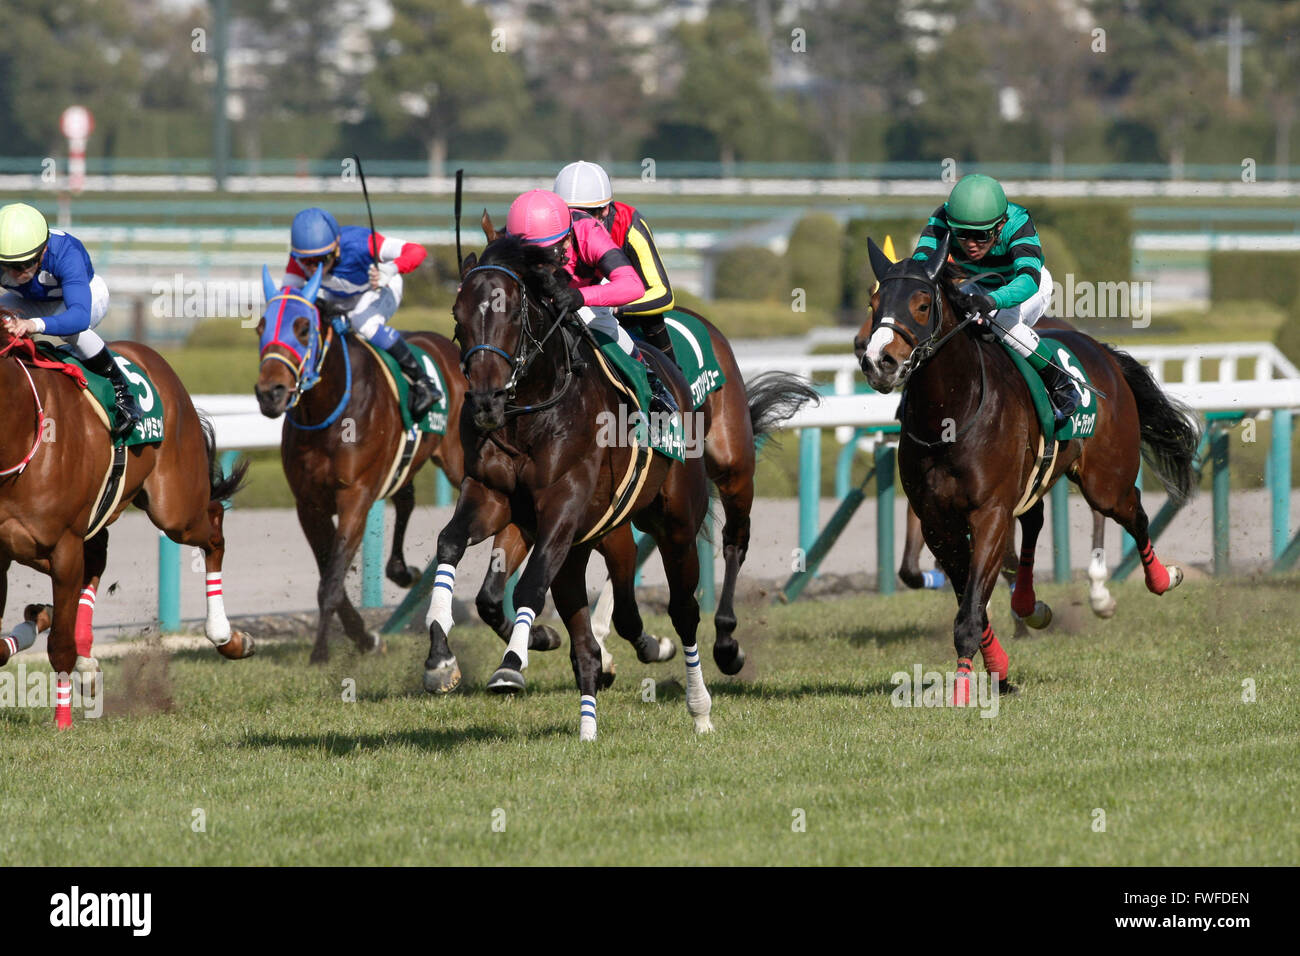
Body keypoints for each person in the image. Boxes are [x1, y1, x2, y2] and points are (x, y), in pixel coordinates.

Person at [912, 173, 1080, 422]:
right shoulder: (941, 218)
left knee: (1004, 326)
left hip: (1025, 285)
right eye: (961, 233)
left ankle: (1061, 385)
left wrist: (992, 301)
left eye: (981, 236)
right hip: (976, 284)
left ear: (1000, 225)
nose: (970, 244)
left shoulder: (1018, 222)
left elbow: (1027, 280)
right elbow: (921, 267)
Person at [506, 189, 678, 415]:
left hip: (584, 302)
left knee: (601, 323)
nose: (544, 265)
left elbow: (633, 285)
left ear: (568, 237)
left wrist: (581, 297)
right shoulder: (517, 235)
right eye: (533, 256)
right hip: (537, 302)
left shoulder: (590, 232)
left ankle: (651, 384)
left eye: (550, 253)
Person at [0, 203, 142, 439]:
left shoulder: (67, 252)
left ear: (43, 251)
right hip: (31, 299)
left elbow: (77, 317)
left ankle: (121, 392)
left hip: (84, 298)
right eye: (7, 266)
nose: (15, 274)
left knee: (70, 330)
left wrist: (33, 325)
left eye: (22, 266)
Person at [283, 207, 441, 419]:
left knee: (362, 323)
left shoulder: (362, 242)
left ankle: (424, 383)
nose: (312, 268)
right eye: (306, 262)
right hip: (340, 296)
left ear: (336, 249)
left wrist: (392, 268)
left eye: (321, 260)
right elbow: (288, 299)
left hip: (381, 285)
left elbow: (417, 251)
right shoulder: (299, 258)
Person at [552, 161, 677, 364]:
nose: (576, 220)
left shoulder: (630, 224)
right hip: (577, 302)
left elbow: (663, 294)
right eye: (570, 213)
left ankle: (670, 383)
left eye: (585, 212)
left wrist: (614, 307)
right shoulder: (551, 223)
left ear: (605, 211)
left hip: (620, 302)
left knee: (653, 321)